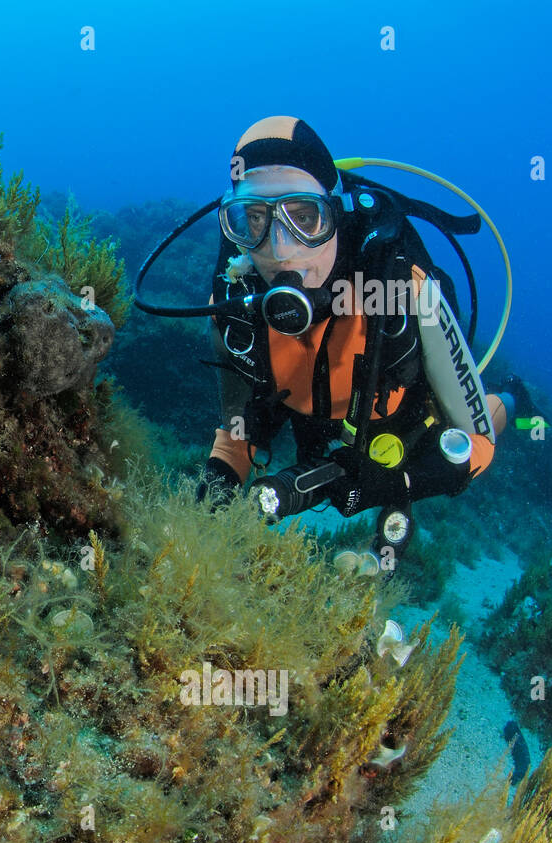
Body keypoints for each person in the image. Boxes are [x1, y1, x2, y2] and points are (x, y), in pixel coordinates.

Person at [195, 117, 534, 571]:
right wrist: (206, 513)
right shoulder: (232, 306)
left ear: (335, 213)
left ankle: (515, 395)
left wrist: (395, 486)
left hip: (397, 417)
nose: (279, 249)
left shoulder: (405, 291)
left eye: (303, 218)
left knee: (486, 411)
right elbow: (237, 438)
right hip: (303, 413)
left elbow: (479, 445)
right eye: (252, 220)